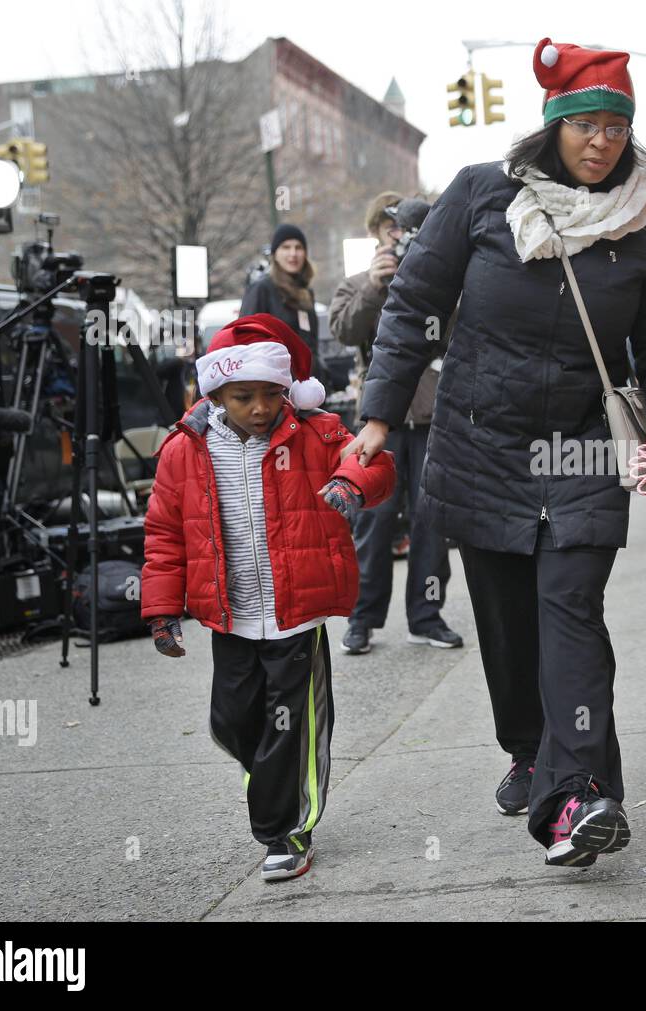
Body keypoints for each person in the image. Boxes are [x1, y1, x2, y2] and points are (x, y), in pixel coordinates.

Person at [343, 37, 646, 869]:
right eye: (584, 124)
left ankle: (576, 795)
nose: (600, 142)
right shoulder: (482, 195)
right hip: (481, 446)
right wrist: (377, 417)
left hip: (581, 447)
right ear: (553, 126)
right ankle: (530, 750)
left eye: (615, 127)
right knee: (509, 633)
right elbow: (411, 307)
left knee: (571, 609)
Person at [140, 313, 396, 881]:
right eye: (242, 397)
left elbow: (378, 468)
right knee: (232, 722)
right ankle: (274, 795)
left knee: (289, 727)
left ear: (288, 390)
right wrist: (161, 608)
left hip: (294, 617)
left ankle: (286, 831)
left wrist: (352, 482)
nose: (259, 408)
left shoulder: (316, 431)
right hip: (229, 616)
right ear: (215, 394)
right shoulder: (184, 450)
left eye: (269, 395)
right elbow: (163, 532)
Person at [329, 193, 461, 655]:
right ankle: (362, 620)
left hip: (429, 412)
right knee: (373, 519)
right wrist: (374, 285)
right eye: (388, 230)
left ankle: (426, 616)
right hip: (376, 419)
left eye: (403, 230)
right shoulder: (356, 282)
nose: (397, 237)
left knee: (431, 518)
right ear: (374, 234)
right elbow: (343, 330)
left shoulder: (436, 276)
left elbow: (455, 331)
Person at [241, 224, 320, 380]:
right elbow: (245, 339)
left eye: (298, 247)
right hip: (275, 388)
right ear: (275, 253)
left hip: (306, 386)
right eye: (286, 247)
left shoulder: (305, 292)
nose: (293, 253)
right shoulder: (262, 288)